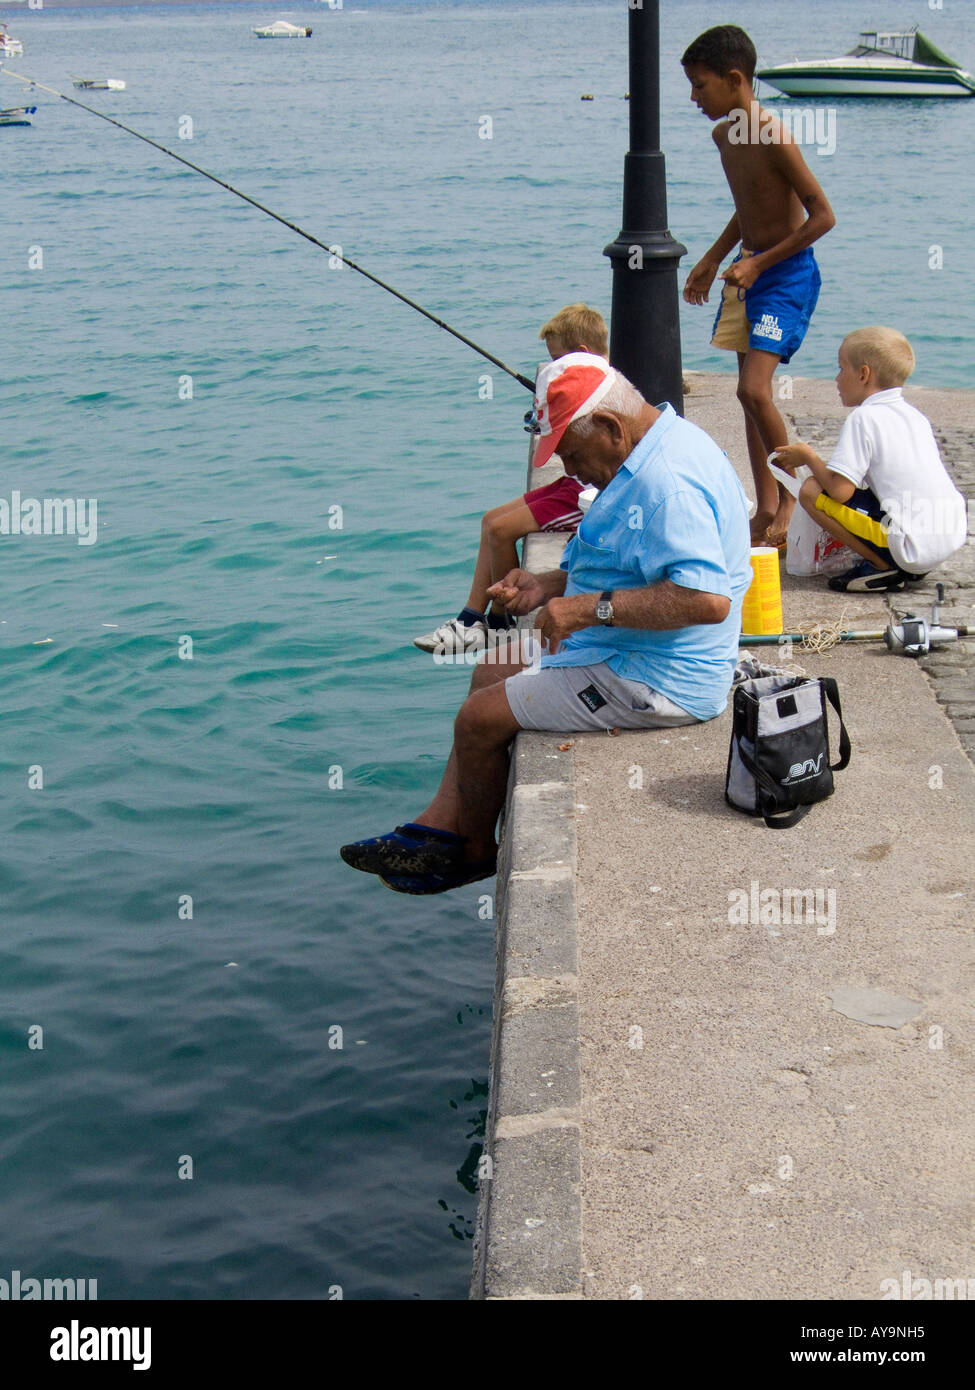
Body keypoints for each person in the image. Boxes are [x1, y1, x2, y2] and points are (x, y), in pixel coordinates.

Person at [341, 353, 752, 895]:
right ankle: (442, 823)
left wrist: (584, 609)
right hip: (626, 646)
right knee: (490, 668)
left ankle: (472, 853)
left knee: (478, 720)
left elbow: (705, 599)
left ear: (609, 426)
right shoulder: (661, 442)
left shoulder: (665, 484)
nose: (571, 472)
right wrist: (549, 587)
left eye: (574, 455)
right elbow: (638, 567)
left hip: (659, 679)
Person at [681, 24, 835, 549]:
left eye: (700, 85)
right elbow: (748, 207)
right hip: (748, 269)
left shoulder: (773, 135)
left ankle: (792, 494)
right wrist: (712, 259)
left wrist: (760, 263)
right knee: (747, 397)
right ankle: (765, 505)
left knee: (753, 389)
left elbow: (822, 216)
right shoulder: (725, 137)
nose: (694, 97)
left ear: (734, 79)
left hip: (786, 275)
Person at [413, 304, 608, 655]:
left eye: (556, 359)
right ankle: (471, 619)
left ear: (582, 354)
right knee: (490, 519)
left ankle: (500, 626)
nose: (551, 368)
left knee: (503, 531)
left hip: (586, 491)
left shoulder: (600, 391)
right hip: (571, 483)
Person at [772, 327, 966, 593]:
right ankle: (899, 560)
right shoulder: (914, 415)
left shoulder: (864, 418)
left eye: (841, 369)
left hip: (911, 546)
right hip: (947, 531)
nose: (837, 378)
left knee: (811, 491)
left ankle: (882, 567)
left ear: (863, 374)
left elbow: (839, 492)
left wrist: (808, 457)